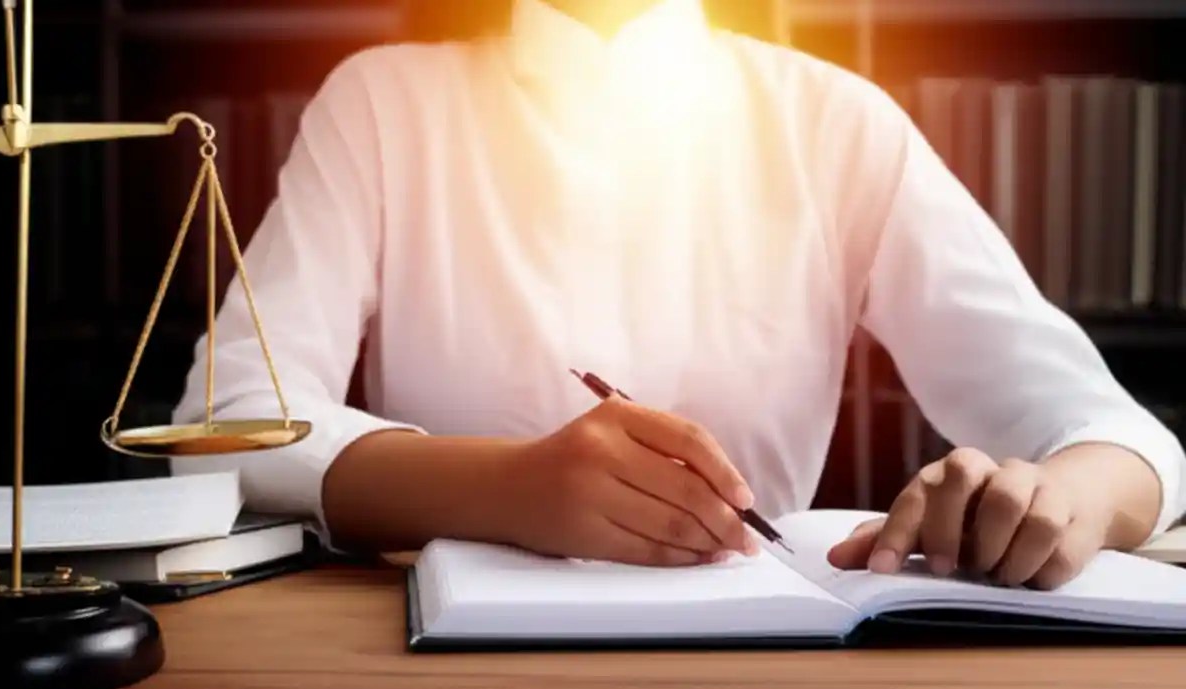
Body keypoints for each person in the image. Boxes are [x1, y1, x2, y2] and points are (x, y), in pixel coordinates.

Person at [170, 0, 1185, 590]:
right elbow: (227, 421)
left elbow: (1114, 437)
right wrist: (503, 488)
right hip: (439, 657)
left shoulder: (829, 121)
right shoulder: (383, 102)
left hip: (762, 662)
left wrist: (1064, 501)